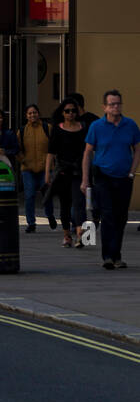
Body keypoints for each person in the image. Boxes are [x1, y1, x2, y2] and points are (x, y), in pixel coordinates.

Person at [81, 89, 140, 270]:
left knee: (121, 217)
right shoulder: (97, 127)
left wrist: (132, 172)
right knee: (107, 215)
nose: (116, 107)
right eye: (112, 104)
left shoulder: (130, 125)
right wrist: (85, 180)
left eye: (118, 104)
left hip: (124, 177)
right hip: (103, 176)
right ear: (104, 107)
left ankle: (117, 255)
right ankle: (108, 256)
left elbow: (137, 149)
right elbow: (87, 153)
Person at [46, 100, 87, 248]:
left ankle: (80, 237)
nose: (71, 113)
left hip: (78, 171)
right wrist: (48, 173)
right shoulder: (57, 129)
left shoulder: (83, 128)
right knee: (65, 205)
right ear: (62, 113)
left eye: (73, 111)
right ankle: (66, 235)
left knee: (79, 203)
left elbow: (87, 151)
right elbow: (51, 153)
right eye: (67, 111)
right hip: (62, 171)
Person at [17, 104, 51, 234]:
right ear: (26, 116)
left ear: (39, 114)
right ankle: (31, 223)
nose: (32, 115)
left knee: (47, 195)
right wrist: (23, 160)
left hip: (45, 168)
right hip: (28, 168)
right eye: (30, 113)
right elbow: (17, 149)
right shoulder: (22, 130)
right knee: (29, 195)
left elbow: (53, 147)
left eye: (34, 112)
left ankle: (50, 215)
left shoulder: (47, 128)